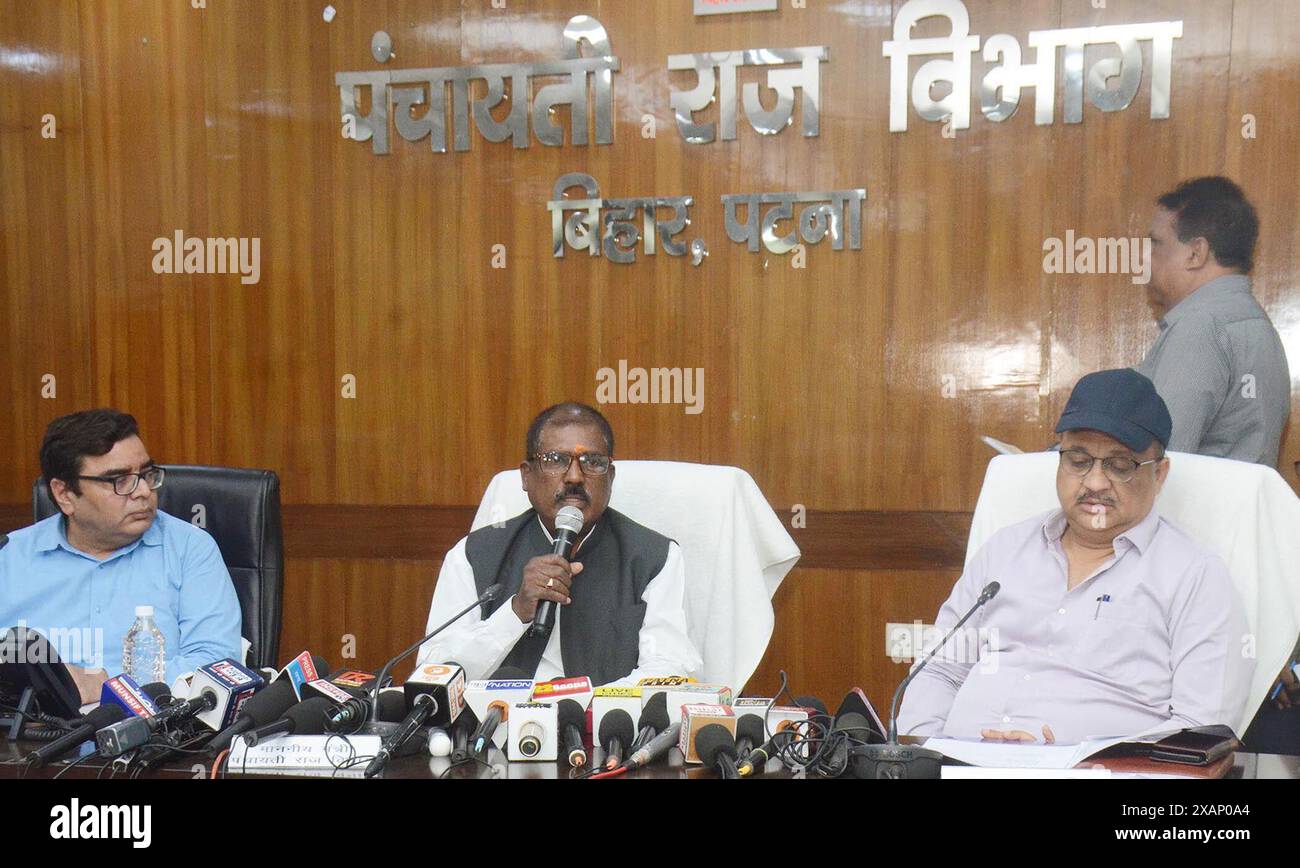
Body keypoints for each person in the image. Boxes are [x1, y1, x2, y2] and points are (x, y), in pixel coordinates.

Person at [898, 370, 1254, 744]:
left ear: (1160, 474)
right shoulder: (1005, 550)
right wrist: (921, 756)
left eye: (1120, 465)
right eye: (1079, 460)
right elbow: (939, 671)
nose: (1095, 483)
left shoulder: (1194, 576)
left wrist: (1076, 761)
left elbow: (1199, 729)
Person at [416, 402, 701, 685]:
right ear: (527, 476)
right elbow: (435, 673)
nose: (575, 476)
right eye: (555, 459)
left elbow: (669, 670)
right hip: (498, 725)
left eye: (593, 462)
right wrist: (515, 611)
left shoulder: (654, 558)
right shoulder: (473, 555)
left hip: (605, 724)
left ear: (610, 478)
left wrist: (581, 706)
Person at [0, 409, 242, 702]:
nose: (142, 491)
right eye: (119, 480)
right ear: (64, 494)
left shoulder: (190, 548)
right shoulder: (9, 557)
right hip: (28, 734)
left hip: (154, 735)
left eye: (146, 475)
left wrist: (103, 683)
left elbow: (218, 664)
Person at [1137, 176, 1291, 467]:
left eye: (1156, 244)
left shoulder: (1201, 328)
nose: (1147, 259)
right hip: (1239, 511)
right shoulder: (1260, 327)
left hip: (1195, 512)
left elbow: (1158, 461)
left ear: (1196, 253)